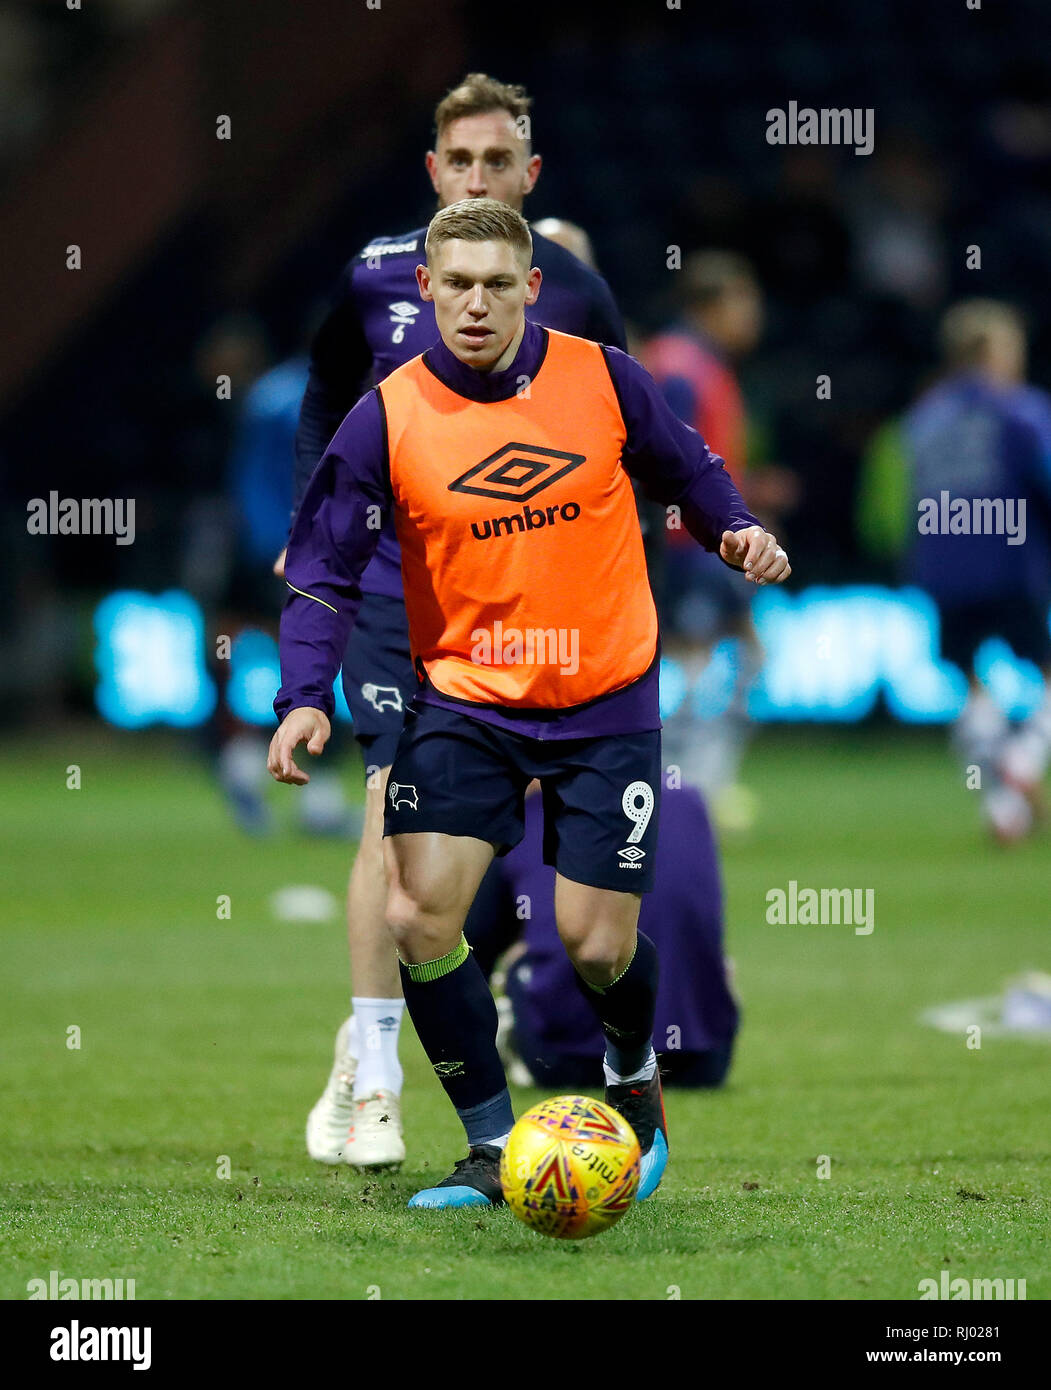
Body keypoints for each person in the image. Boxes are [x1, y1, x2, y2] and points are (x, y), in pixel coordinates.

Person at [268, 198, 790, 1209]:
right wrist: (302, 698)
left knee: (594, 942)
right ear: (425, 289)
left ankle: (632, 1076)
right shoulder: (389, 411)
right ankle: (488, 1145)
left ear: (530, 290)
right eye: (454, 283)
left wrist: (735, 531)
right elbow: (322, 566)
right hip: (464, 697)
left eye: (495, 285)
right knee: (419, 912)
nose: (473, 303)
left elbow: (690, 469)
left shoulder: (602, 378)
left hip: (602, 695)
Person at [286, 73, 627, 1169]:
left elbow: (622, 433)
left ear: (531, 175)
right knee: (393, 806)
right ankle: (374, 1074)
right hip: (396, 592)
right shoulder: (375, 276)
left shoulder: (571, 286)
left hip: (529, 610)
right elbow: (324, 403)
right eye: (461, 162)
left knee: (514, 837)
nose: (478, 177)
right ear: (433, 172)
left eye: (499, 162)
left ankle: (427, 1001)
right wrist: (314, 543)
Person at [642, 253, 797, 822]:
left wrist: (750, 488)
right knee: (706, 660)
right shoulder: (684, 369)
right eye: (743, 302)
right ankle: (684, 783)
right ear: (711, 304)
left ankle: (687, 781)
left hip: (694, 539)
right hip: (690, 545)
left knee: (721, 657)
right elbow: (669, 461)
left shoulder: (684, 360)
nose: (752, 315)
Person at [464, 782, 739, 1090]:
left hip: (565, 1062)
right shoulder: (688, 799)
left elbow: (476, 946)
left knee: (527, 954)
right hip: (702, 1063)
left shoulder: (524, 811)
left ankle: (523, 1027)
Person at [895, 300, 1051, 842]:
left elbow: (907, 498)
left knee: (970, 686)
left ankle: (1004, 811)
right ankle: (1025, 760)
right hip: (1010, 564)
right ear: (991, 351)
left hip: (943, 569)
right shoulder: (1022, 410)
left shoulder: (923, 419)